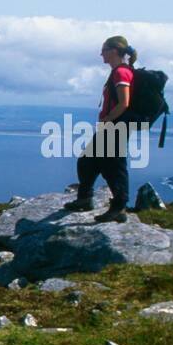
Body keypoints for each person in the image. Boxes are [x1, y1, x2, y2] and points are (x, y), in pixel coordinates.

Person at [64, 35, 137, 222]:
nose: (101, 54)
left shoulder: (121, 72)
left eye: (103, 50)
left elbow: (124, 103)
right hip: (112, 126)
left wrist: (107, 120)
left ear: (113, 51)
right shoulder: (119, 71)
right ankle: (85, 199)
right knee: (87, 161)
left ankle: (119, 207)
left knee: (114, 167)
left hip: (115, 127)